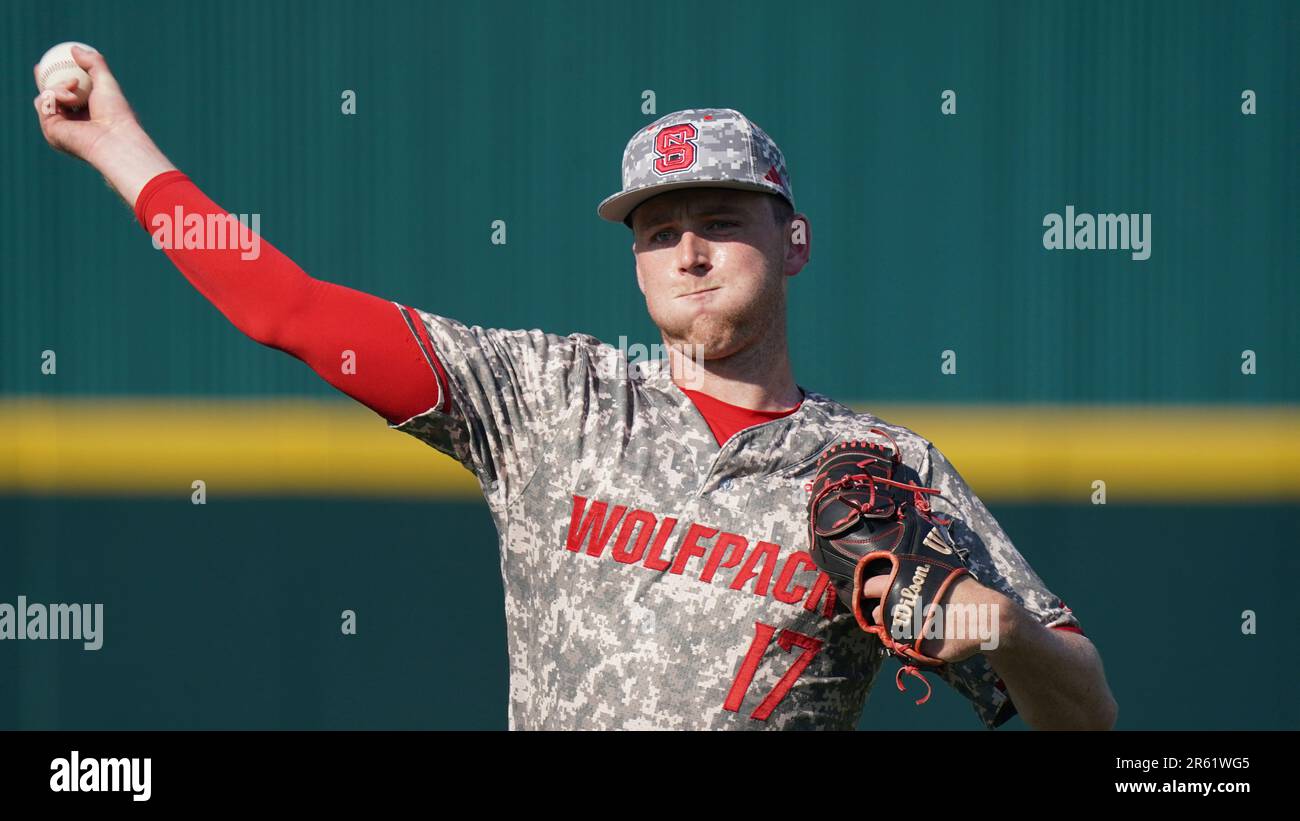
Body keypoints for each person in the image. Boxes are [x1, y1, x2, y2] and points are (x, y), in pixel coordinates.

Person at [33, 46, 1117, 731]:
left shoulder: (880, 466)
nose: (689, 251)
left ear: (793, 241)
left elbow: (1085, 715)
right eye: (659, 231)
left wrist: (1010, 632)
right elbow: (293, 313)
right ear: (636, 262)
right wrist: (121, 148)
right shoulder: (550, 399)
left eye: (723, 222)